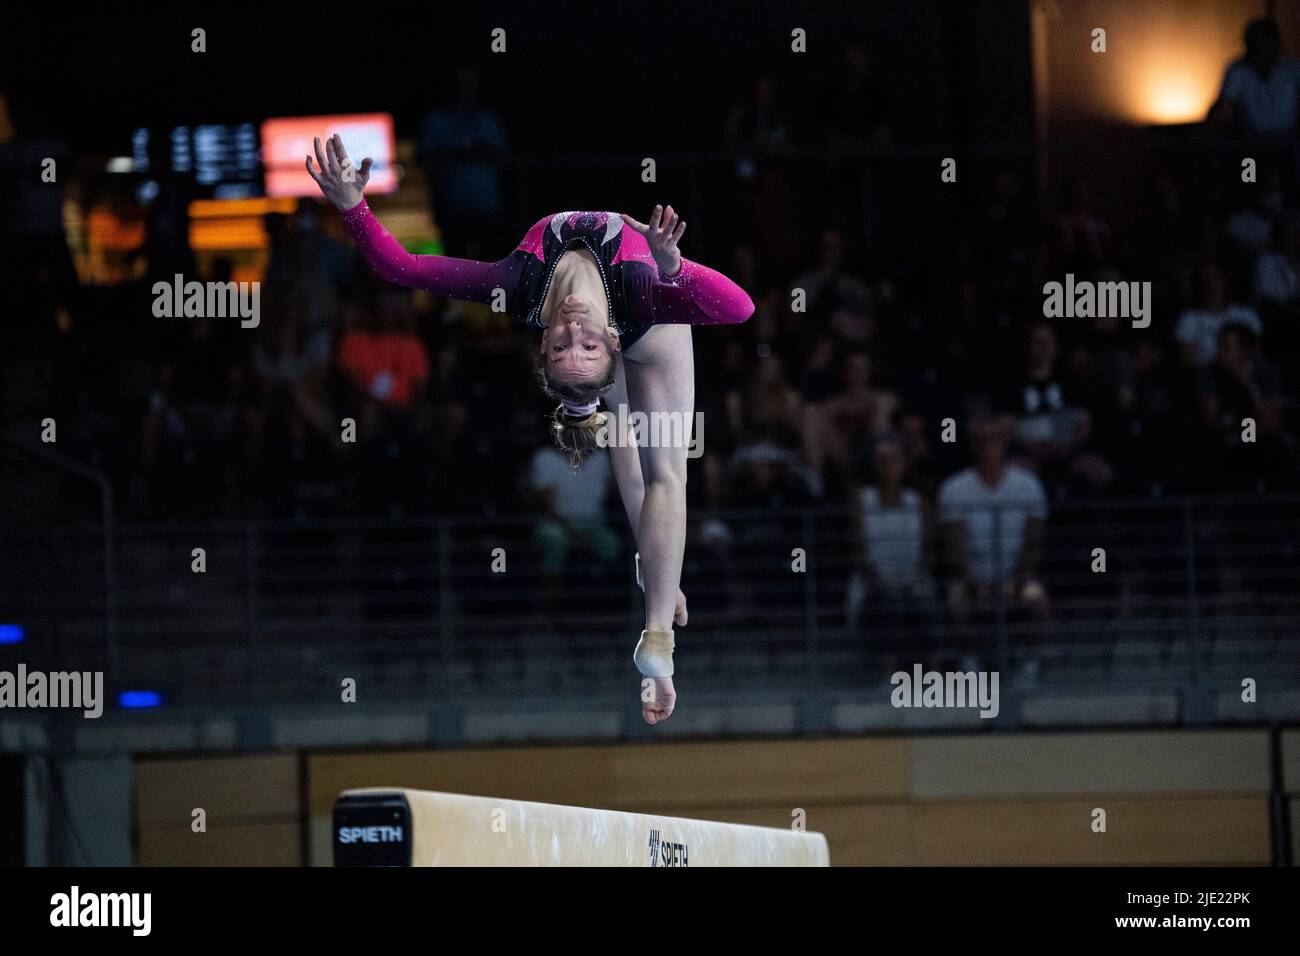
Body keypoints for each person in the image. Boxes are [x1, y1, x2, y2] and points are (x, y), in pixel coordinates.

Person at [307, 134, 755, 724]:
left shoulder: (517, 286)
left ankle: (657, 582)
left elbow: (402, 266)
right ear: (608, 345)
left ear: (542, 343)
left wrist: (351, 206)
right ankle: (659, 640)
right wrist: (676, 269)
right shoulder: (642, 295)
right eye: (584, 343)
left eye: (566, 343)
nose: (573, 329)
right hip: (652, 327)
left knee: (636, 455)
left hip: (633, 329)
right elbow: (739, 307)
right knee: (664, 471)